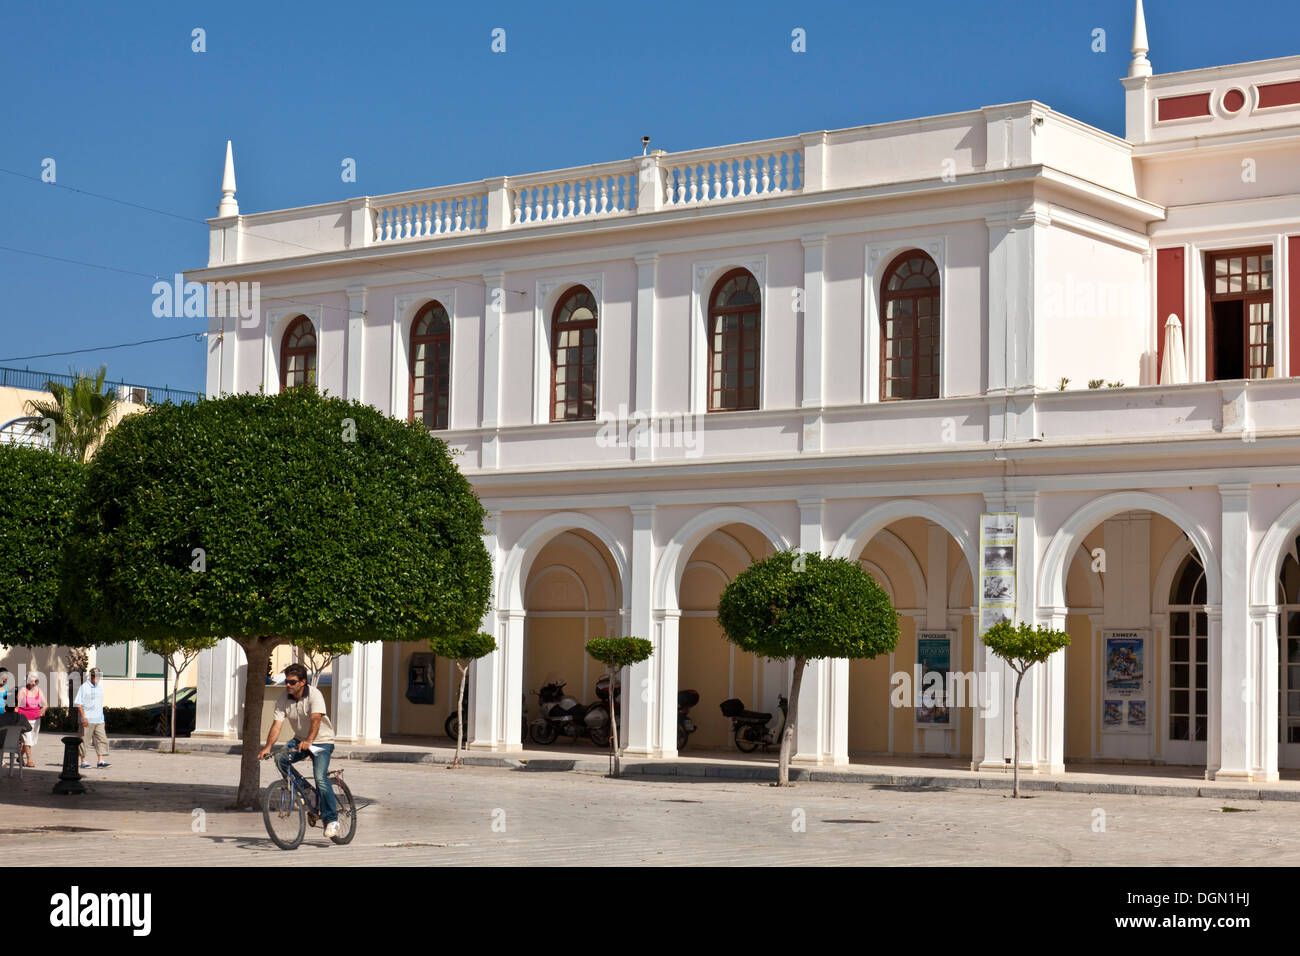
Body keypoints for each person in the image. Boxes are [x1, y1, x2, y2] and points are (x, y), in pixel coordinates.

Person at [257, 663, 338, 838]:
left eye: (292, 682)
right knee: (280, 758)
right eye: (286, 681)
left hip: (322, 742)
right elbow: (277, 725)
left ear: (302, 682)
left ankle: (332, 820)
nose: (288, 685)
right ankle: (306, 791)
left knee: (320, 778)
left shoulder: (314, 695)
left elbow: (316, 720)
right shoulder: (283, 698)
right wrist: (268, 747)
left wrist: (309, 741)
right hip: (300, 740)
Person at [75, 667, 110, 769]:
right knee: (84, 741)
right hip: (87, 719)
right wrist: (83, 717)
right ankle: (83, 761)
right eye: (95, 676)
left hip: (99, 720)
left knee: (101, 740)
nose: (97, 678)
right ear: (91, 676)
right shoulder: (84, 687)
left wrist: (102, 719)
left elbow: (99, 704)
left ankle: (100, 761)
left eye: (98, 676)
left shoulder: (99, 688)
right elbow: (78, 703)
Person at [16, 672, 46, 768]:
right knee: (27, 739)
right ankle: (30, 760)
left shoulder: (38, 690)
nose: (33, 683)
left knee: (31, 740)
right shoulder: (22, 690)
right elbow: (17, 706)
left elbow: (45, 704)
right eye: (31, 681)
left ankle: (20, 756)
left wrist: (43, 708)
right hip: (24, 719)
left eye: (35, 681)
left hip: (36, 719)